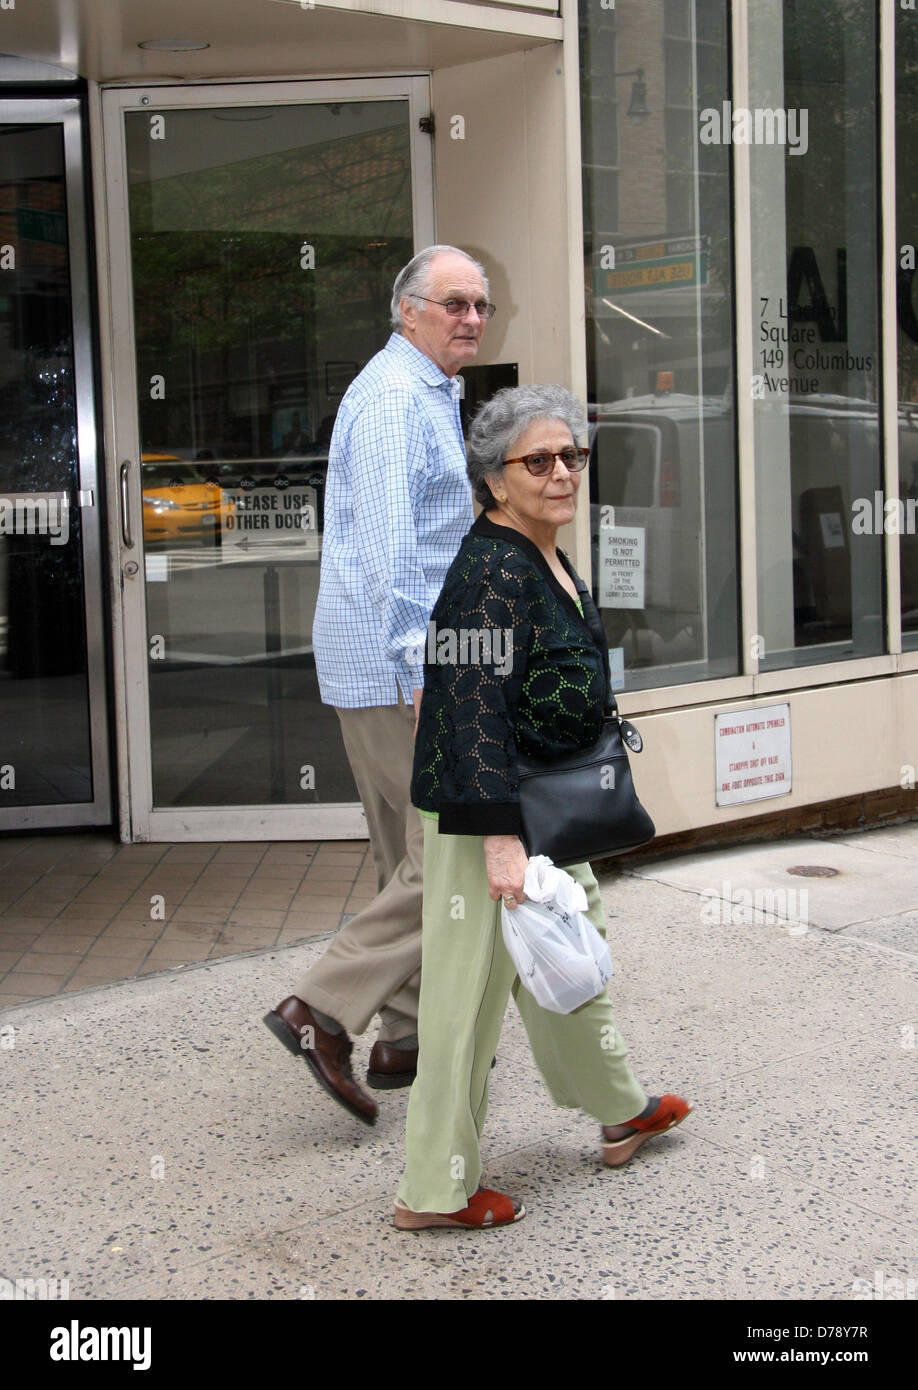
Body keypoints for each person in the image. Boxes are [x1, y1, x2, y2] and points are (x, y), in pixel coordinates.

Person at [394, 384, 691, 1229]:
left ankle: (620, 1108)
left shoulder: (546, 552)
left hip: (544, 804)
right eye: (539, 460)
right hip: (489, 813)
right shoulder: (485, 572)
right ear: (494, 479)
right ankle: (434, 1191)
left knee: (573, 955)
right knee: (466, 1003)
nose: (561, 472)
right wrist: (497, 846)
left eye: (572, 455)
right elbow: (466, 707)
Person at [264, 246, 495, 1125]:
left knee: (410, 848)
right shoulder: (399, 399)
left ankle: (402, 1037)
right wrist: (418, 665)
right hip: (398, 669)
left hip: (391, 664)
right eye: (453, 304)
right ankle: (321, 1010)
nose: (470, 318)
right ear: (407, 312)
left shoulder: (424, 389)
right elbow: (394, 550)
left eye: (480, 304)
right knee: (446, 853)